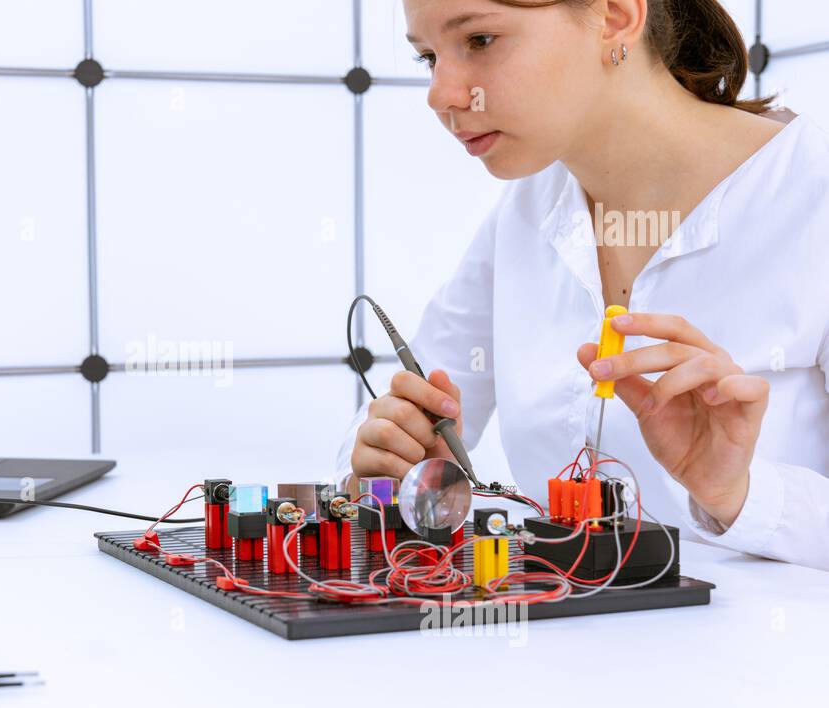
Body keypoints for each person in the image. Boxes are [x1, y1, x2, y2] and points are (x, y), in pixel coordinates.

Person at [336, 0, 829, 570]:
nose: (442, 95)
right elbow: (399, 420)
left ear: (615, 16)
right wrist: (388, 465)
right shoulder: (526, 208)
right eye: (428, 57)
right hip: (553, 626)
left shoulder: (811, 195)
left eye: (480, 40)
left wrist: (739, 494)